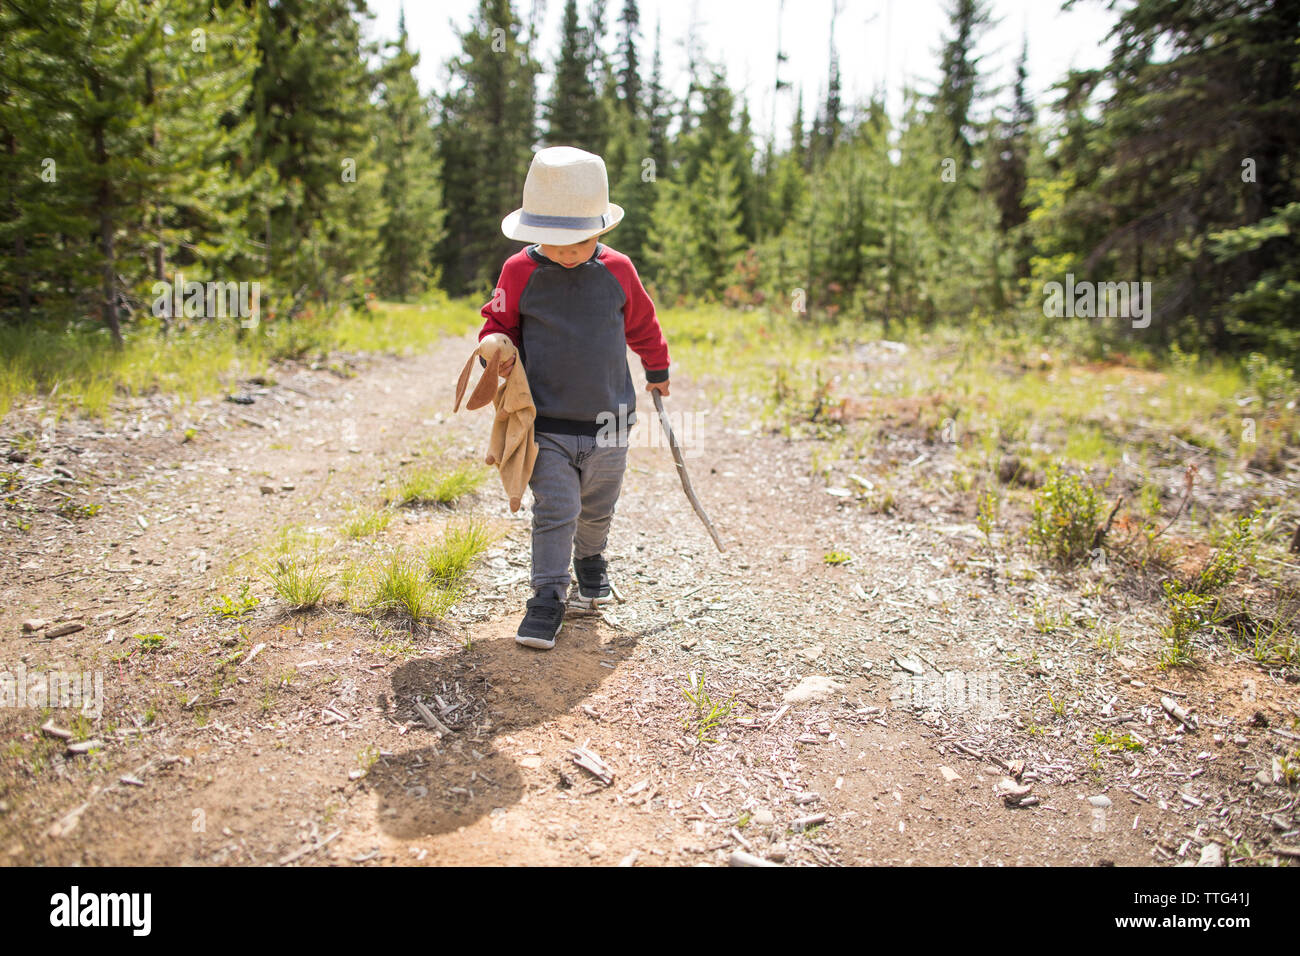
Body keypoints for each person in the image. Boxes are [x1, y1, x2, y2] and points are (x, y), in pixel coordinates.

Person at [477, 146, 671, 649]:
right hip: (548, 421)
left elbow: (643, 324)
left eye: (579, 242)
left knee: (597, 509)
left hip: (609, 420)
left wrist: (657, 369)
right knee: (555, 509)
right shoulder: (518, 271)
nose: (567, 252)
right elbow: (498, 326)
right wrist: (492, 347)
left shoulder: (619, 271)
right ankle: (546, 596)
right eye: (556, 242)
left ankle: (590, 557)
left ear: (601, 231)